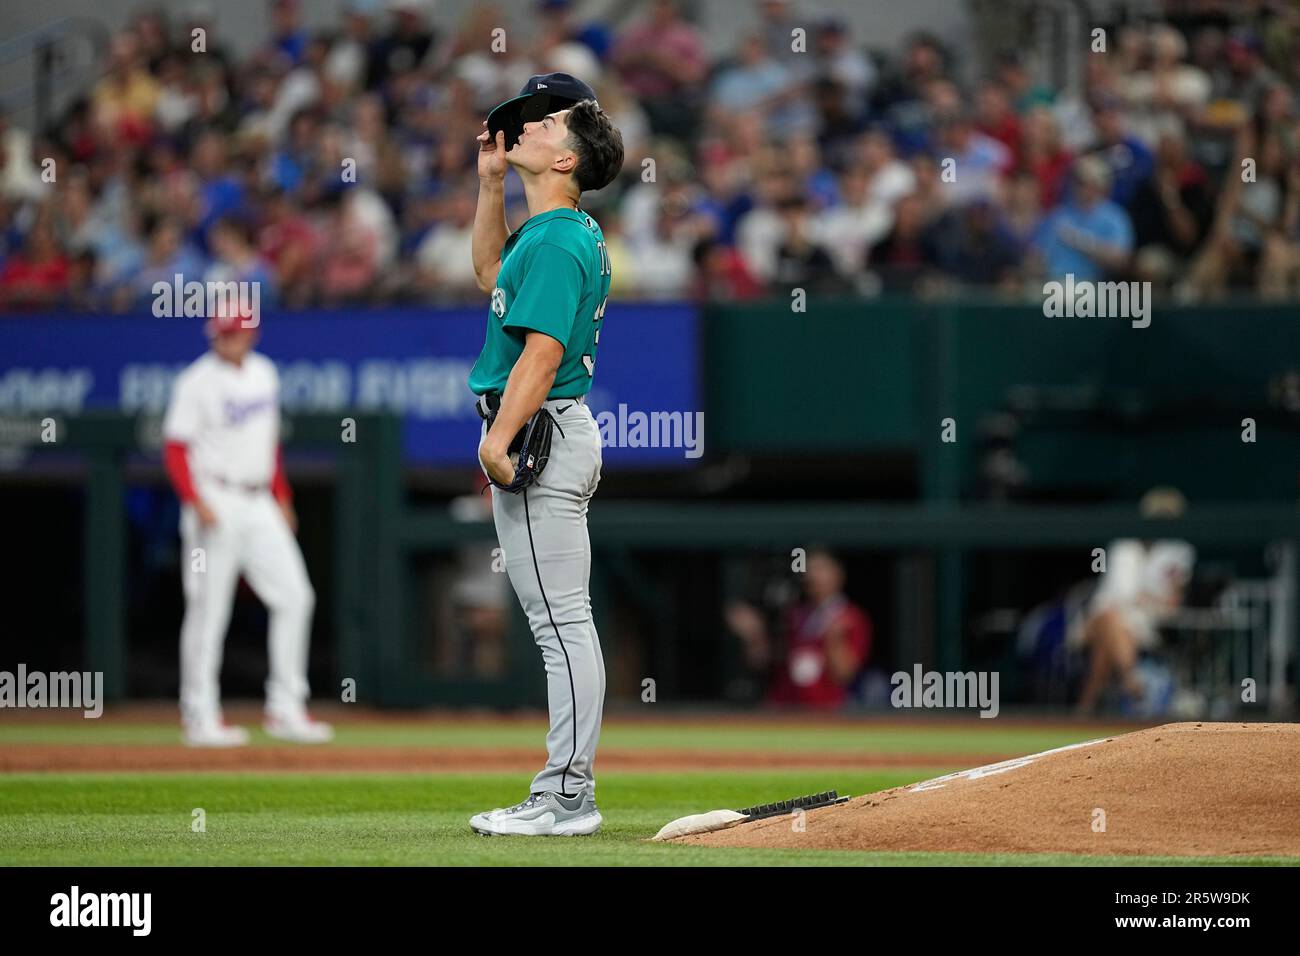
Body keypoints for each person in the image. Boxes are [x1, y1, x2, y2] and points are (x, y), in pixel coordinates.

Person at [465, 74, 623, 836]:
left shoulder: (560, 237)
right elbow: (492, 278)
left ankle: (565, 797)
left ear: (568, 161)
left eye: (549, 123)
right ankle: (567, 792)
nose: (530, 128)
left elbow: (543, 350)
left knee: (561, 626)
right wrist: (491, 187)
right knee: (563, 624)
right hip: (552, 428)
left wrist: (497, 437)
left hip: (541, 431)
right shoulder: (552, 232)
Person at [161, 306, 332, 746]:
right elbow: (176, 448)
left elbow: (267, 444)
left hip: (258, 500)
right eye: (221, 334)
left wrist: (283, 496)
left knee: (296, 597)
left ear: (250, 334)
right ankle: (199, 715)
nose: (227, 340)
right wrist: (194, 501)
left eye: (234, 333)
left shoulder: (264, 373)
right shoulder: (195, 381)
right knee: (208, 608)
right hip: (214, 497)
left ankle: (285, 708)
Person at [1074, 488, 1196, 713]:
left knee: (1107, 638)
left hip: (1146, 625)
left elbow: (1173, 601)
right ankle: (1130, 680)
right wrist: (1144, 600)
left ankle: (1087, 706)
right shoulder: (1124, 546)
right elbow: (1115, 596)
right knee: (1111, 619)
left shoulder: (1179, 551)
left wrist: (1147, 602)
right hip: (1104, 616)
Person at [727, 549, 872, 709]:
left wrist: (834, 640)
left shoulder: (850, 618)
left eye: (819, 569)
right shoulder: (793, 614)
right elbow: (763, 661)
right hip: (783, 708)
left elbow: (844, 675)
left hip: (826, 711)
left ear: (837, 574)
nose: (811, 576)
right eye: (808, 569)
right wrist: (755, 634)